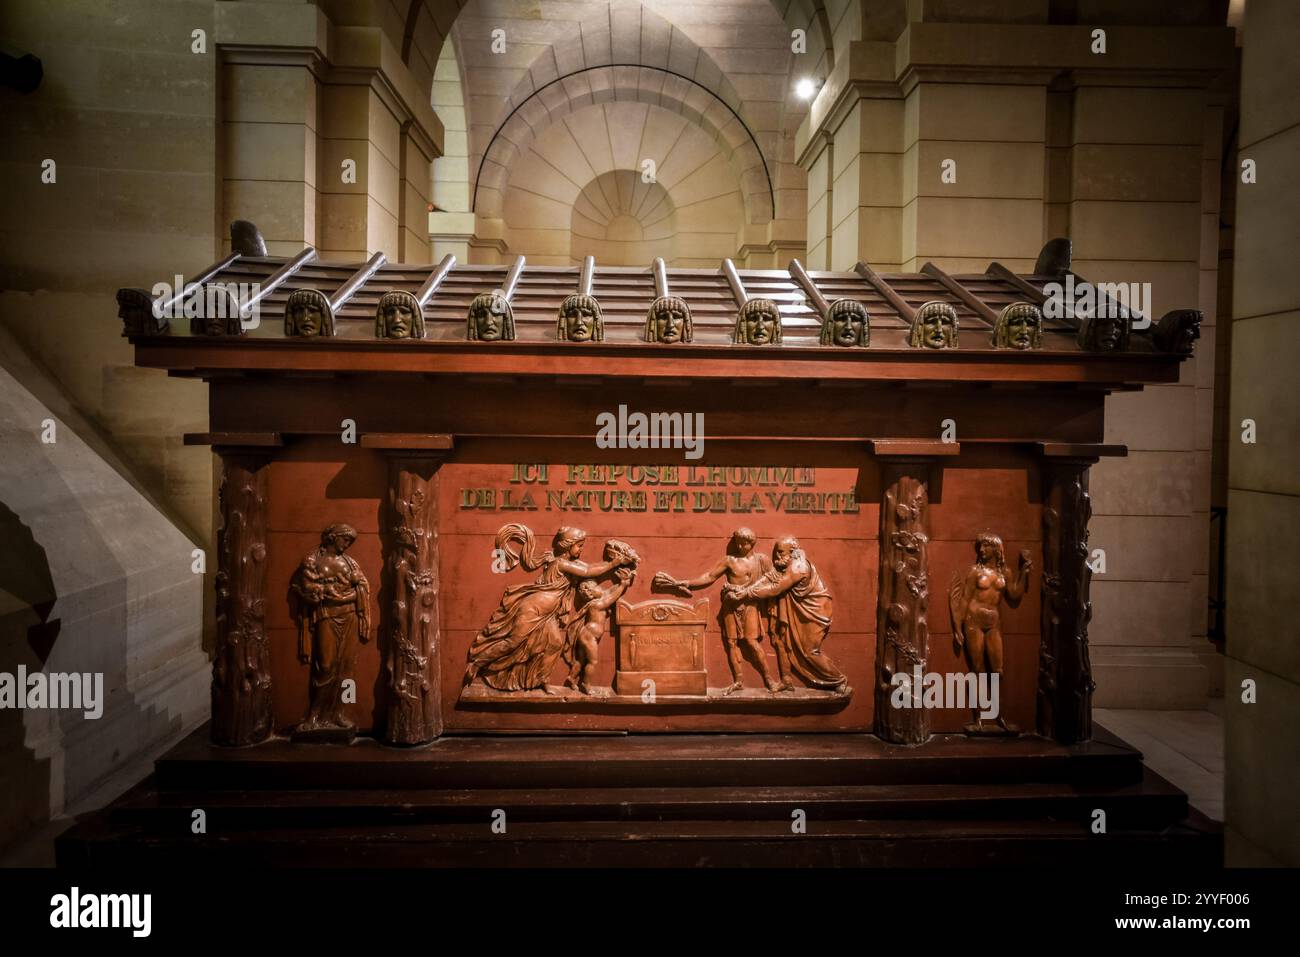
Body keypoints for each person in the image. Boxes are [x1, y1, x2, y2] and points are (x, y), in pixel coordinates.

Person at [463, 524, 636, 692]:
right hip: (533, 609)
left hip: (547, 615)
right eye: (579, 545)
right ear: (568, 545)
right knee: (512, 642)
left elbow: (588, 568)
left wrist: (618, 565)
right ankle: (478, 663)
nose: (581, 549)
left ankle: (542, 680)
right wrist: (614, 563)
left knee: (555, 644)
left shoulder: (572, 563)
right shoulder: (560, 563)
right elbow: (589, 571)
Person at [653, 528, 780, 694]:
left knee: (751, 641)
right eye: (738, 542)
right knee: (731, 643)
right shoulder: (730, 561)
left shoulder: (761, 560)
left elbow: (773, 579)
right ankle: (738, 680)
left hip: (749, 605)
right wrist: (686, 583)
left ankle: (768, 678)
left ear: (752, 543)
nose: (741, 546)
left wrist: (748, 590)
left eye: (745, 543)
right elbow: (709, 576)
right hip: (730, 606)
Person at [730, 536, 846, 692]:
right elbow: (769, 578)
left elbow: (775, 589)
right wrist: (745, 590)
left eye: (780, 552)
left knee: (810, 651)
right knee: (781, 642)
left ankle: (838, 680)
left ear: (793, 552)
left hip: (813, 612)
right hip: (795, 610)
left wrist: (745, 594)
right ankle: (786, 680)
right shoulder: (786, 565)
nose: (777, 557)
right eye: (776, 552)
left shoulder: (798, 567)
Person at [288, 523, 370, 734]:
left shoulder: (350, 563)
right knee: (325, 666)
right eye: (345, 539)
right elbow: (307, 587)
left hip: (349, 616)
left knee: (346, 667)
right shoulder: (313, 560)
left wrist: (349, 593)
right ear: (333, 537)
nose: (347, 545)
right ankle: (315, 714)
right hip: (327, 616)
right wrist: (328, 591)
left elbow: (363, 587)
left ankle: (339, 713)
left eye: (351, 542)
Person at [948, 532, 1031, 733]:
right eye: (980, 547)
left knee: (997, 672)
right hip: (973, 622)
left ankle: (999, 717)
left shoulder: (1006, 574)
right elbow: (964, 600)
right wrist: (957, 628)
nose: (982, 550)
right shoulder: (975, 572)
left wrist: (1024, 572)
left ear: (996, 549)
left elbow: (1014, 594)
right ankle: (978, 719)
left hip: (993, 623)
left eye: (986, 546)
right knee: (977, 671)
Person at [563, 566, 635, 695]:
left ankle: (571, 678)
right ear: (590, 593)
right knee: (593, 661)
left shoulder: (596, 601)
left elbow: (609, 592)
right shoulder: (597, 604)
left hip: (587, 634)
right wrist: (623, 585)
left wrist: (623, 581)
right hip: (589, 635)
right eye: (596, 587)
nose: (600, 588)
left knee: (581, 660)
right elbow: (611, 598)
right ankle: (586, 684)